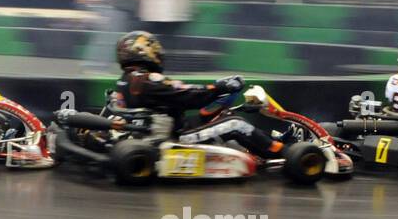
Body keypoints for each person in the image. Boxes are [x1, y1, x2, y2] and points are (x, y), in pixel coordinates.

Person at [106, 30, 285, 156]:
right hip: (171, 138)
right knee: (236, 125)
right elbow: (188, 96)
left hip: (146, 132)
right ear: (143, 51)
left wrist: (217, 94)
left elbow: (175, 97)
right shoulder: (147, 79)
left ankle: (258, 146)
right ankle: (280, 150)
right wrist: (219, 87)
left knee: (221, 115)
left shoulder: (125, 79)